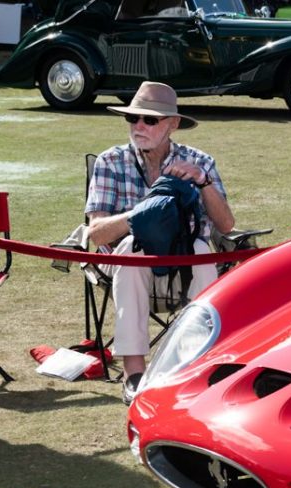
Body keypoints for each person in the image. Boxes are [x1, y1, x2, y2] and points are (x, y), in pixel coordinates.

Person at [84, 82, 233, 403]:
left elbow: (226, 224)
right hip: (126, 264)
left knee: (201, 250)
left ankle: (194, 365)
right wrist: (142, 215)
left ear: (173, 124)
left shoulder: (199, 161)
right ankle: (134, 373)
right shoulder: (111, 162)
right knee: (132, 248)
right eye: (133, 118)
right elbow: (95, 233)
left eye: (150, 120)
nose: (139, 126)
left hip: (185, 257)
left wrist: (202, 182)